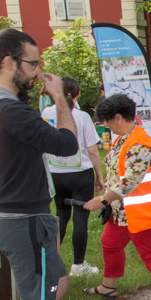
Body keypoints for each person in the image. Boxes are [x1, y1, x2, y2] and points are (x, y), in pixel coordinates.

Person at [0, 29, 84, 300]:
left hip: (9, 213)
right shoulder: (9, 109)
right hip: (22, 218)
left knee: (57, 282)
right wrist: (60, 99)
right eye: (32, 64)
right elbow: (66, 145)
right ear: (8, 62)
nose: (37, 72)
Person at [82, 94, 151, 300]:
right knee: (110, 244)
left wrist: (102, 200)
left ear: (117, 117)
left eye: (106, 121)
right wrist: (105, 185)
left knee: (149, 251)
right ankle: (109, 286)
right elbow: (118, 170)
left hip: (143, 210)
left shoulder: (140, 143)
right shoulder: (123, 138)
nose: (105, 126)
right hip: (122, 210)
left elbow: (130, 182)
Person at [42, 76, 104, 276]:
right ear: (78, 94)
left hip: (56, 172)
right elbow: (92, 149)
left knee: (60, 215)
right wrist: (100, 176)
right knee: (80, 217)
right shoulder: (82, 116)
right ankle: (78, 265)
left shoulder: (46, 112)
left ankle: (52, 262)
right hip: (80, 172)